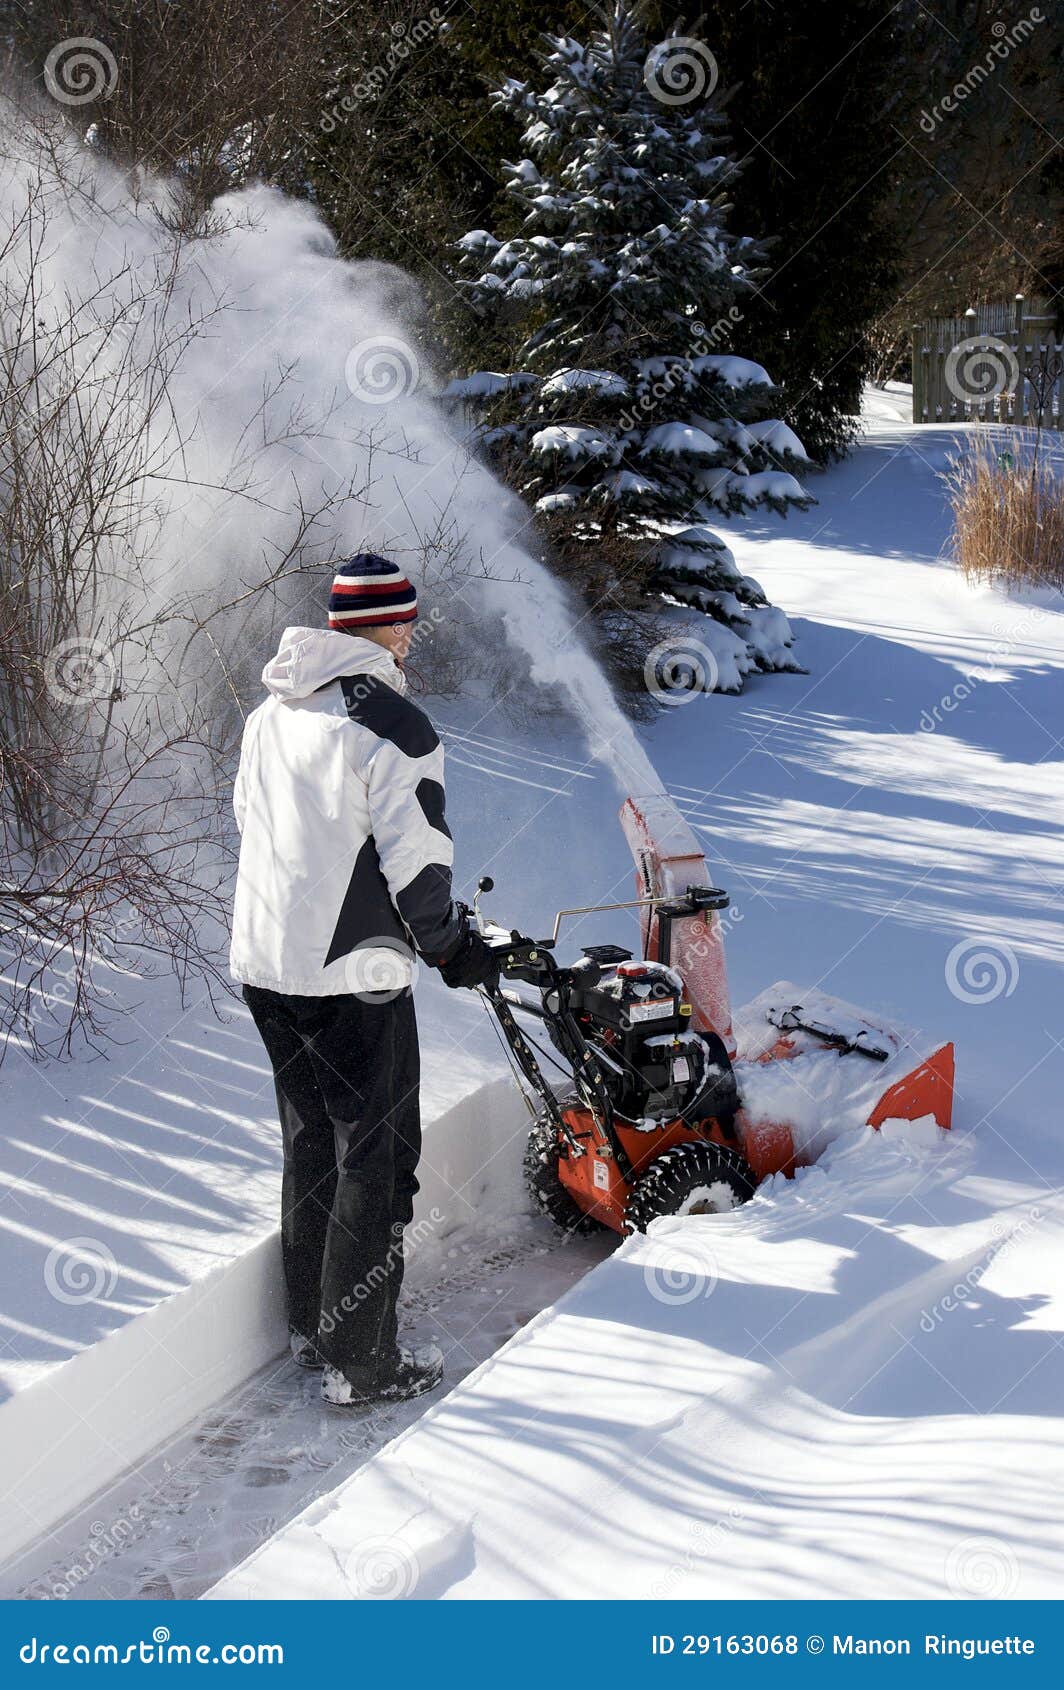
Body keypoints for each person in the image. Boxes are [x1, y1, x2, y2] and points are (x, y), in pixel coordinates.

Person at [230, 553, 498, 1407]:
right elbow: (417, 862)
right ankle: (362, 1361)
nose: (413, 634)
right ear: (380, 625)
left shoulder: (271, 709)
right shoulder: (395, 724)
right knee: (373, 1159)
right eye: (406, 620)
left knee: (313, 1142)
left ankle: (316, 1326)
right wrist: (452, 945)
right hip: (354, 976)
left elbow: (250, 820)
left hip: (268, 968)